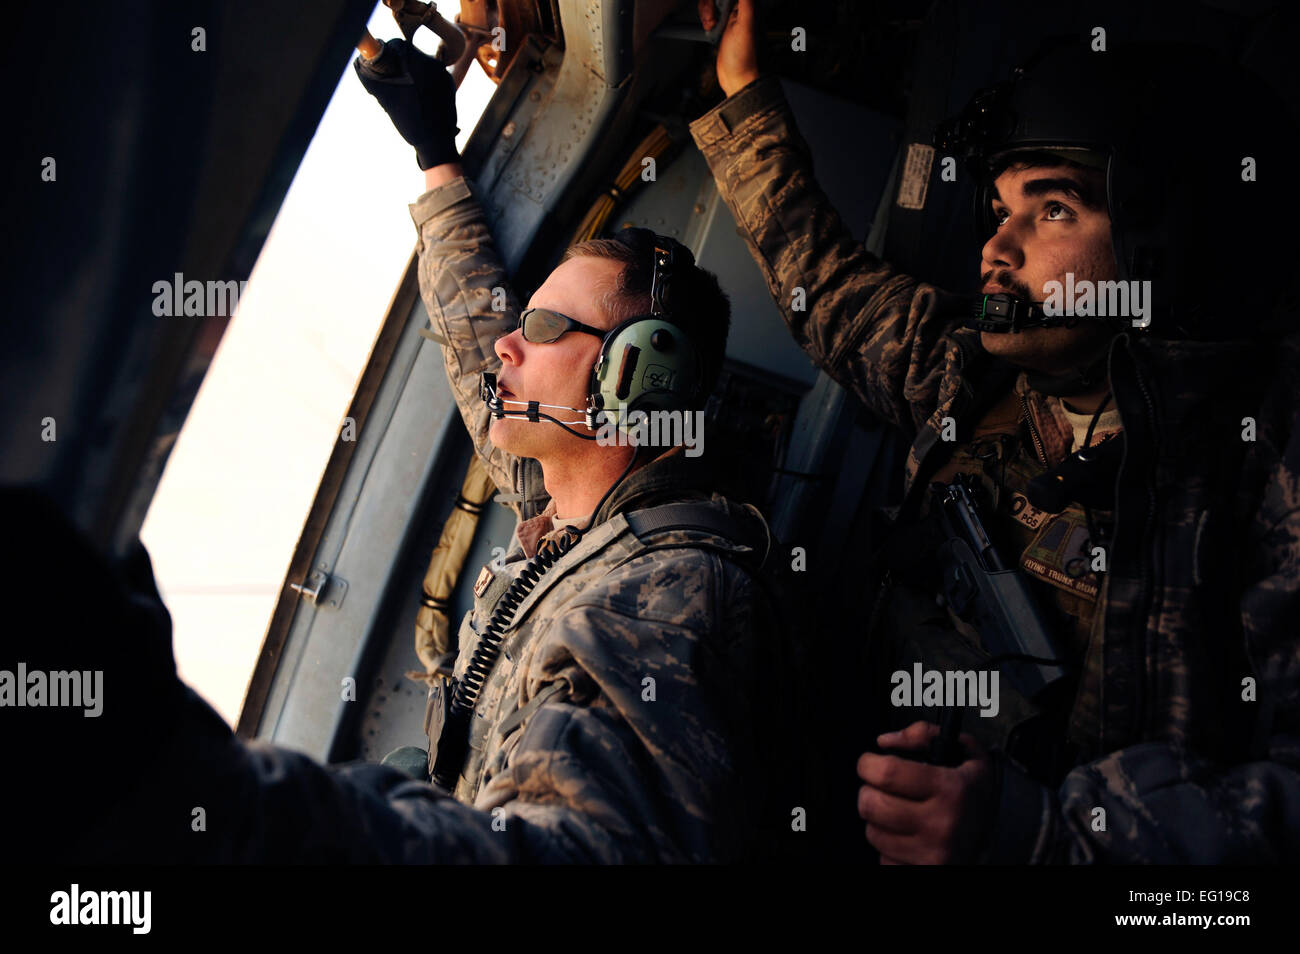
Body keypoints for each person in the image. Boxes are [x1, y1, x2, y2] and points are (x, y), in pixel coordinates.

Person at [1, 37, 794, 865]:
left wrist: (203, 796)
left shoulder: (665, 598)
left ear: (639, 382)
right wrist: (436, 155)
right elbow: (476, 338)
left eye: (547, 327)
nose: (509, 350)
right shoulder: (574, 515)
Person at [694, 0, 1300, 862]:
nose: (995, 247)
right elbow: (821, 280)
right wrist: (742, 90)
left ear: (1170, 238)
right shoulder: (970, 376)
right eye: (999, 207)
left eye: (1053, 209)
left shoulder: (1265, 476)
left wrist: (1038, 835)